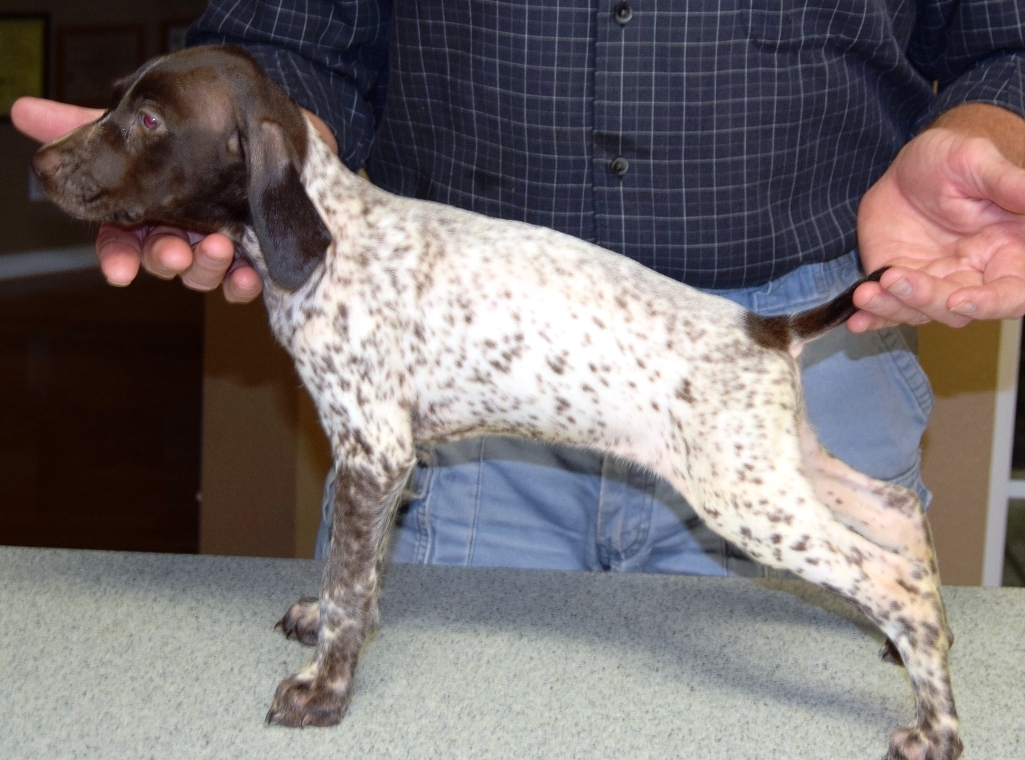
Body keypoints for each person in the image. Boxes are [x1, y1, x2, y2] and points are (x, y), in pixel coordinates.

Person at [13, 1, 1025, 572]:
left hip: (791, 358)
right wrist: (275, 153)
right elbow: (290, 37)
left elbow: (1004, 36)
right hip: (455, 397)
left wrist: (988, 126)